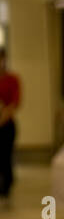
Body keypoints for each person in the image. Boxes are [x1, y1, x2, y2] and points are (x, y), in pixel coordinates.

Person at [0, 46, 19, 206]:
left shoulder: (12, 79)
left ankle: (6, 185)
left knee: (5, 155)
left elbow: (14, 103)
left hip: (6, 125)